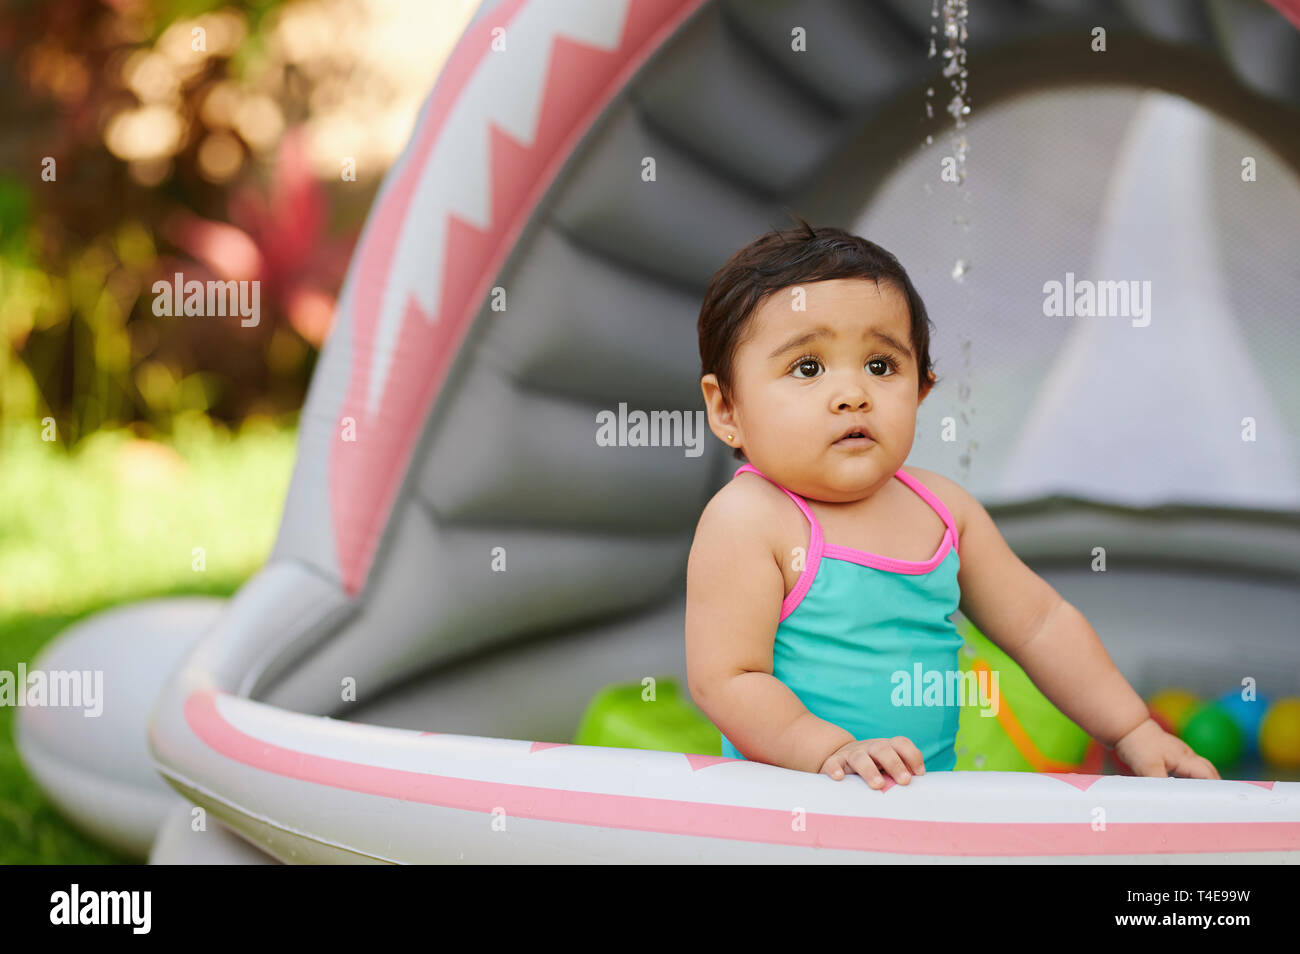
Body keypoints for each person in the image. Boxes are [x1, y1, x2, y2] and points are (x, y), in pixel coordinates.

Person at [684, 216, 1219, 789]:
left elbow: (1040, 625)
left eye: (881, 365)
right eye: (807, 367)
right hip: (788, 812)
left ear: (922, 389)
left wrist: (1132, 729)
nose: (853, 394)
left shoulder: (943, 510)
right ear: (726, 409)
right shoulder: (749, 520)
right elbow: (729, 678)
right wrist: (829, 751)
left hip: (925, 806)